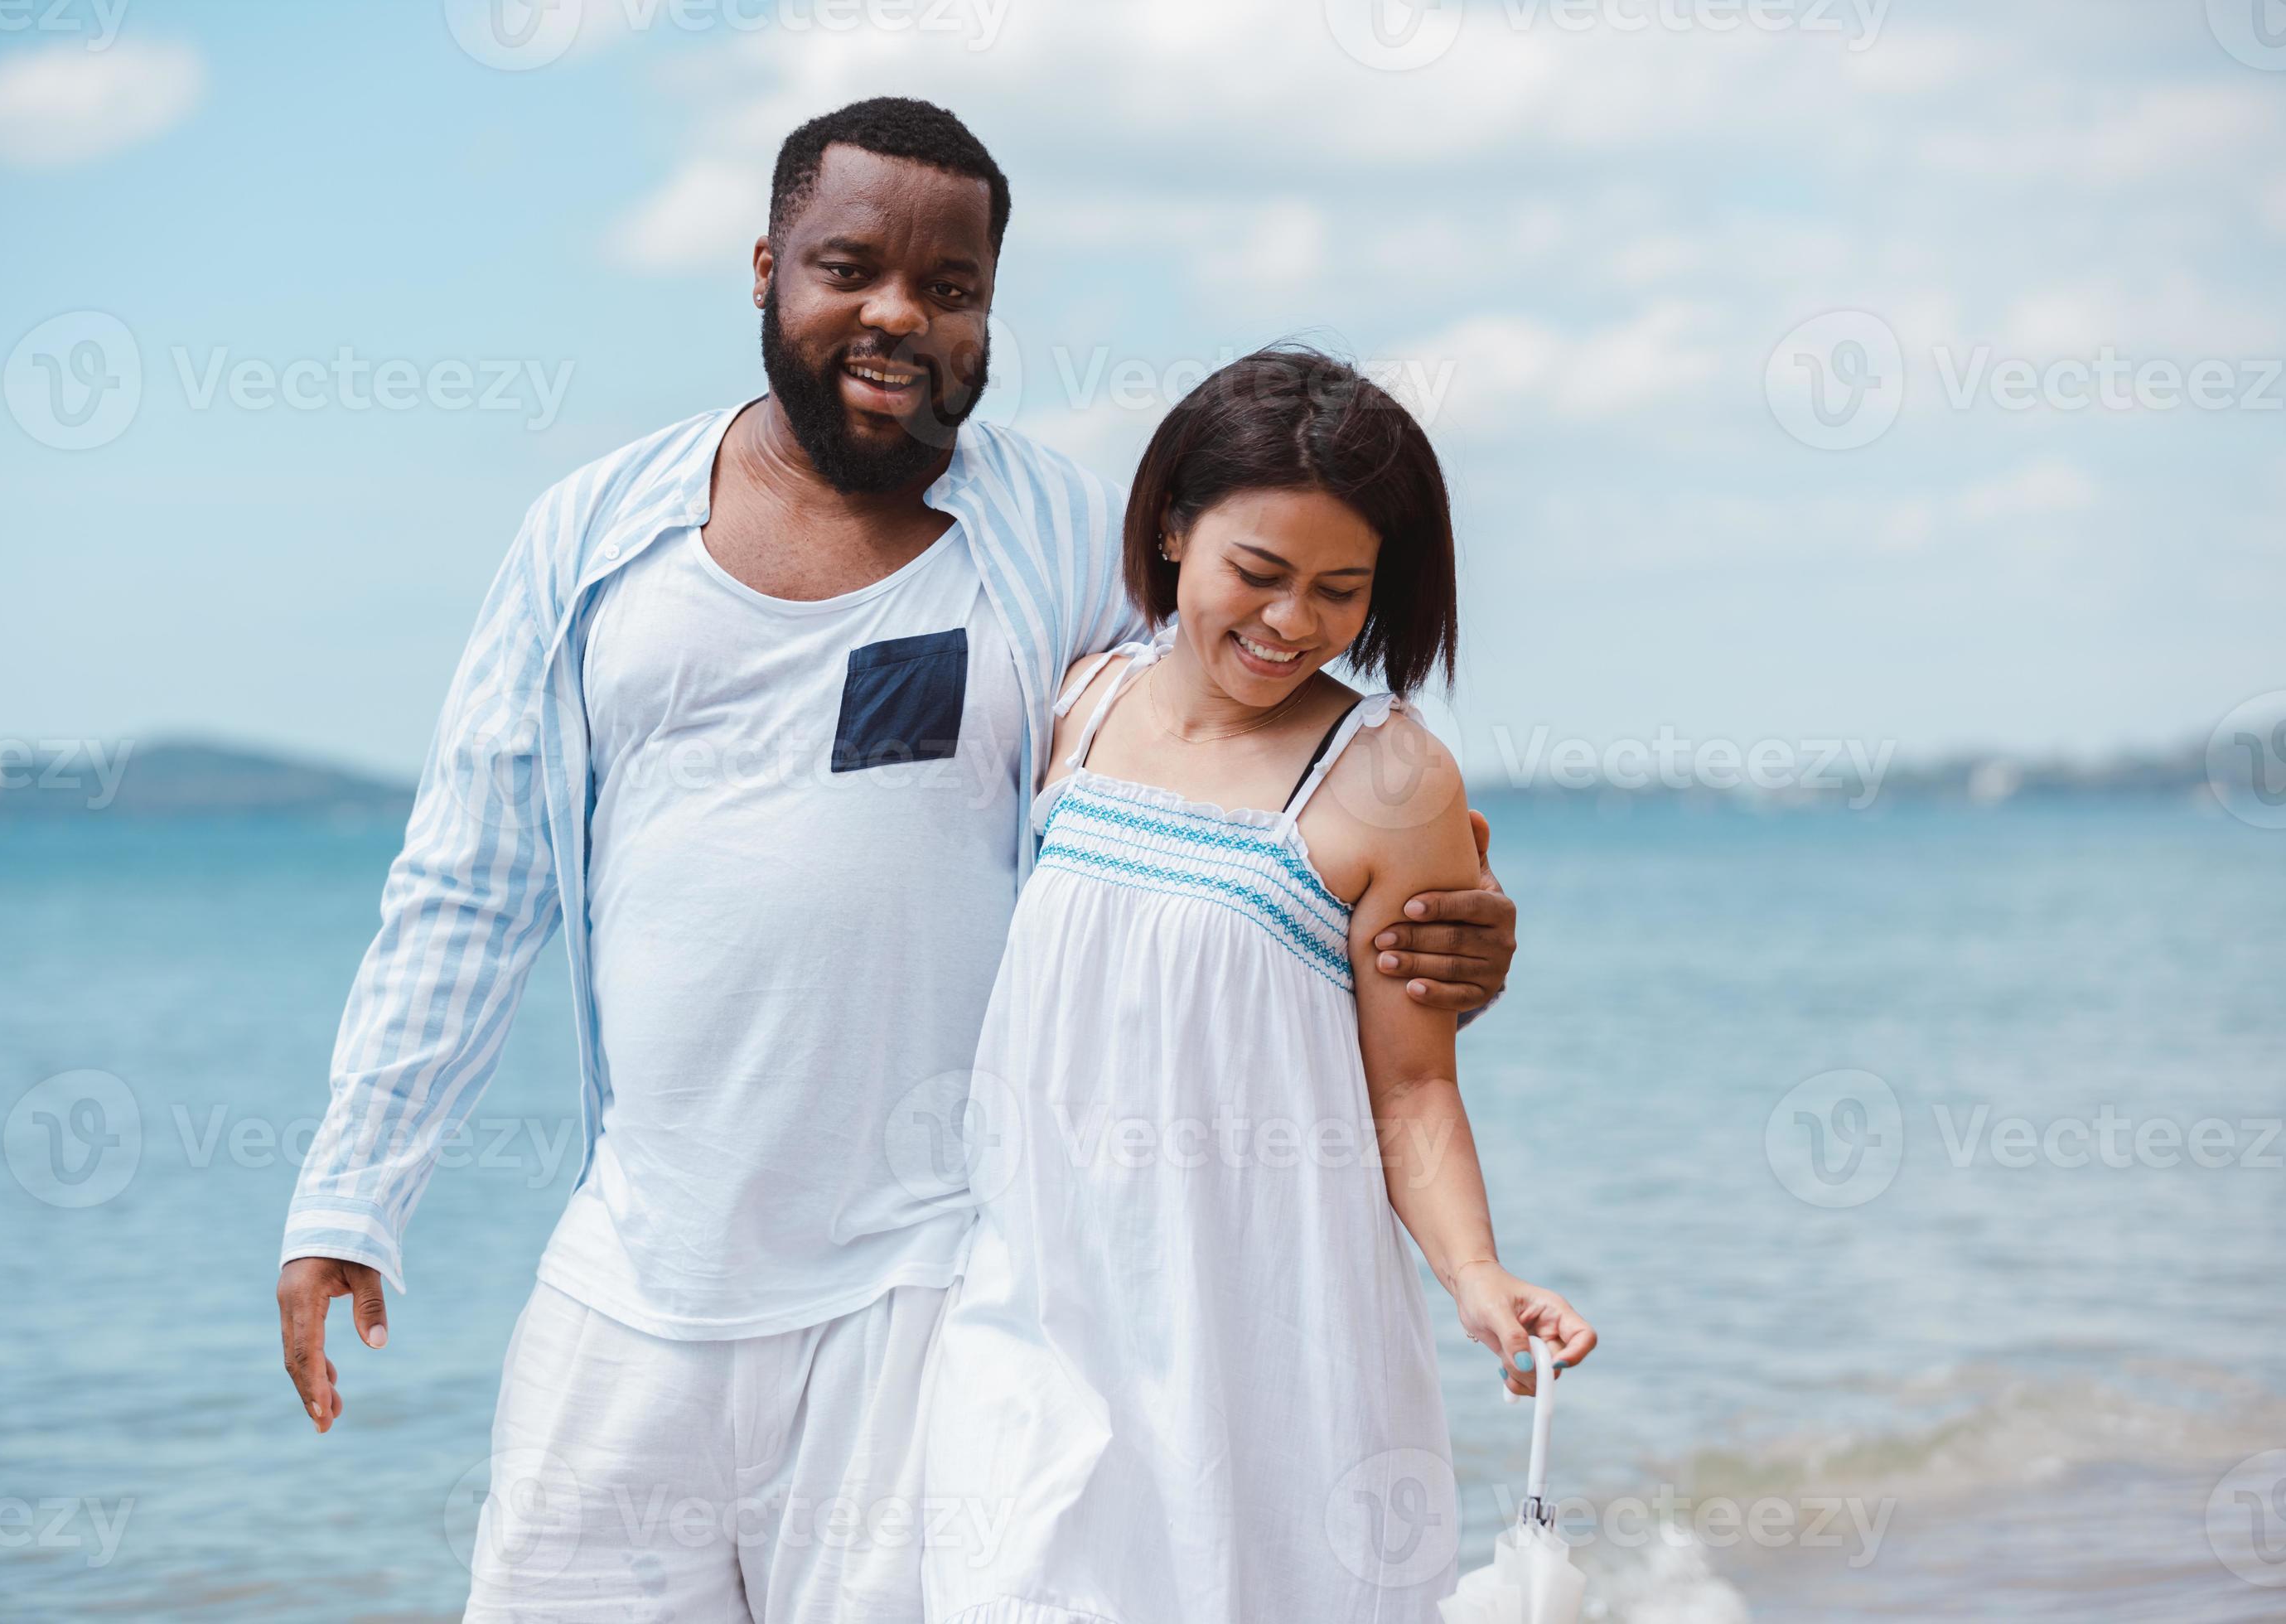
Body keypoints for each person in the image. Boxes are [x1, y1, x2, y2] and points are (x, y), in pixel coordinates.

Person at [272, 99, 1520, 1622]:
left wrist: (1442, 893)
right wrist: (354, 1191)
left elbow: (1238, 746)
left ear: (990, 310)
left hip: (925, 1294)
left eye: (951, 287)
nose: (898, 316)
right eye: (850, 267)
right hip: (635, 1273)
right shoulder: (590, 538)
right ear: (764, 269)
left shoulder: (1046, 533)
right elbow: (471, 882)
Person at [918, 350, 1594, 1624]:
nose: (1293, 623)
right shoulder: (1076, 704)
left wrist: (1477, 1274)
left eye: (1342, 591)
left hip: (1265, 1328)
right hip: (1038, 1314)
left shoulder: (1391, 779)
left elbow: (1413, 1089)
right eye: (1260, 574)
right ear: (1173, 528)